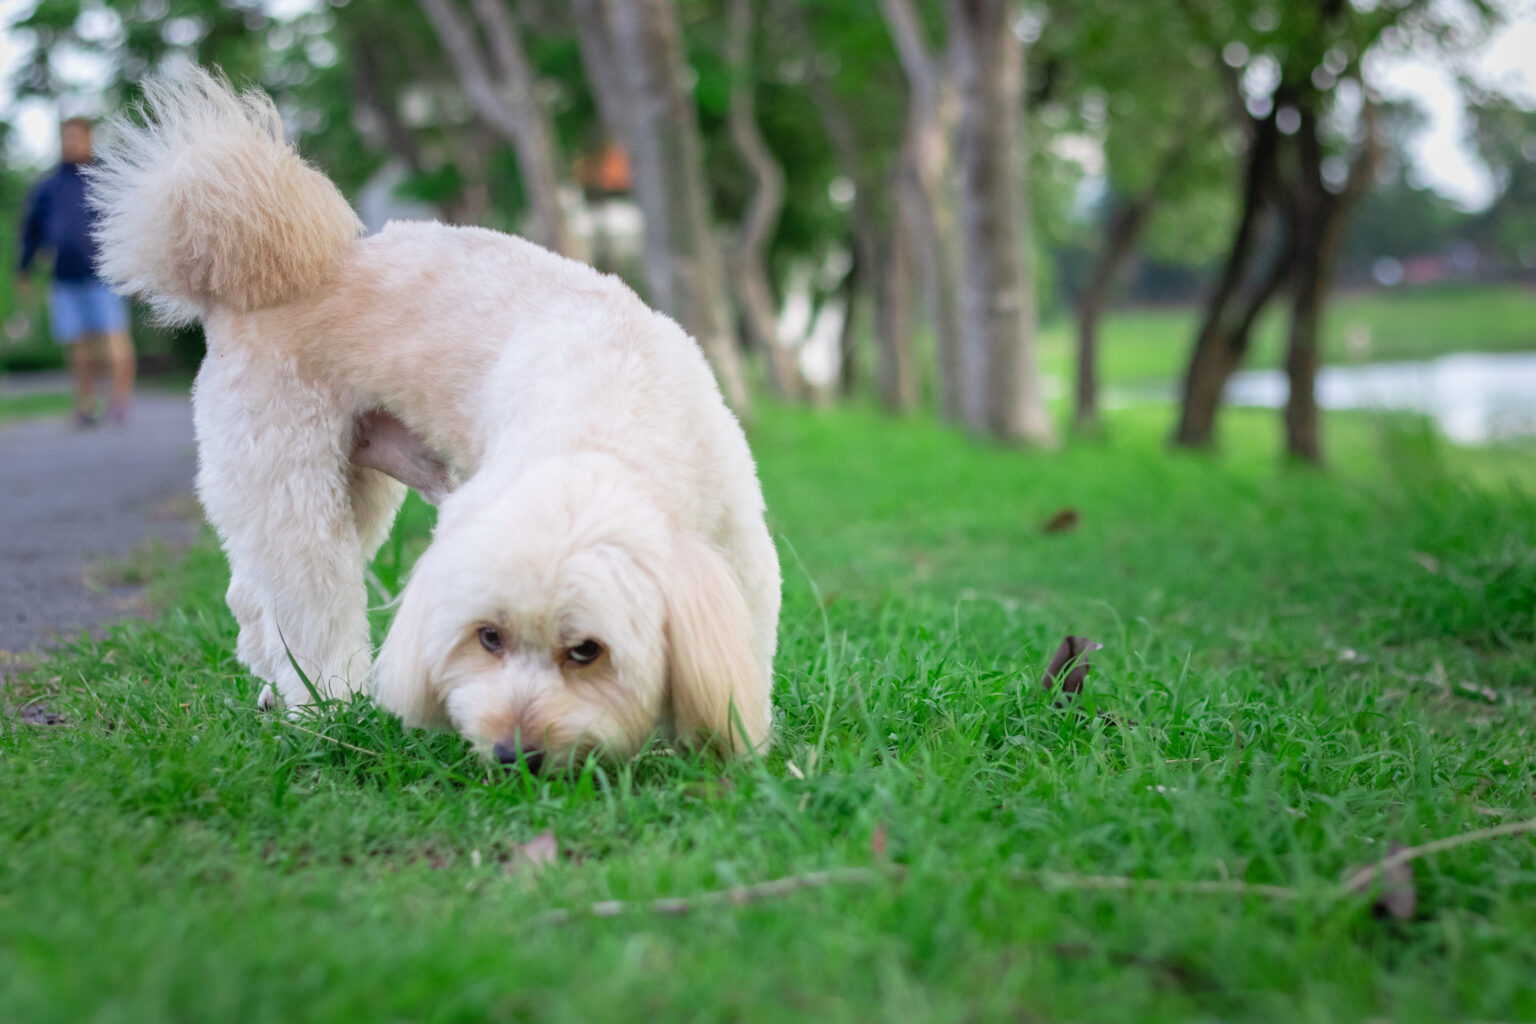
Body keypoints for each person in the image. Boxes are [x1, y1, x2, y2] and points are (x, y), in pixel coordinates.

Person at [17, 116, 136, 426]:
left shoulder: (105, 179)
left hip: (104, 275)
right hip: (65, 277)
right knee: (79, 348)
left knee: (115, 341)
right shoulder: (49, 187)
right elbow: (31, 230)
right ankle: (86, 404)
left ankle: (119, 404)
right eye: (67, 137)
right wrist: (25, 268)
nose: (72, 143)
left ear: (89, 139)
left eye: (78, 137)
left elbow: (126, 225)